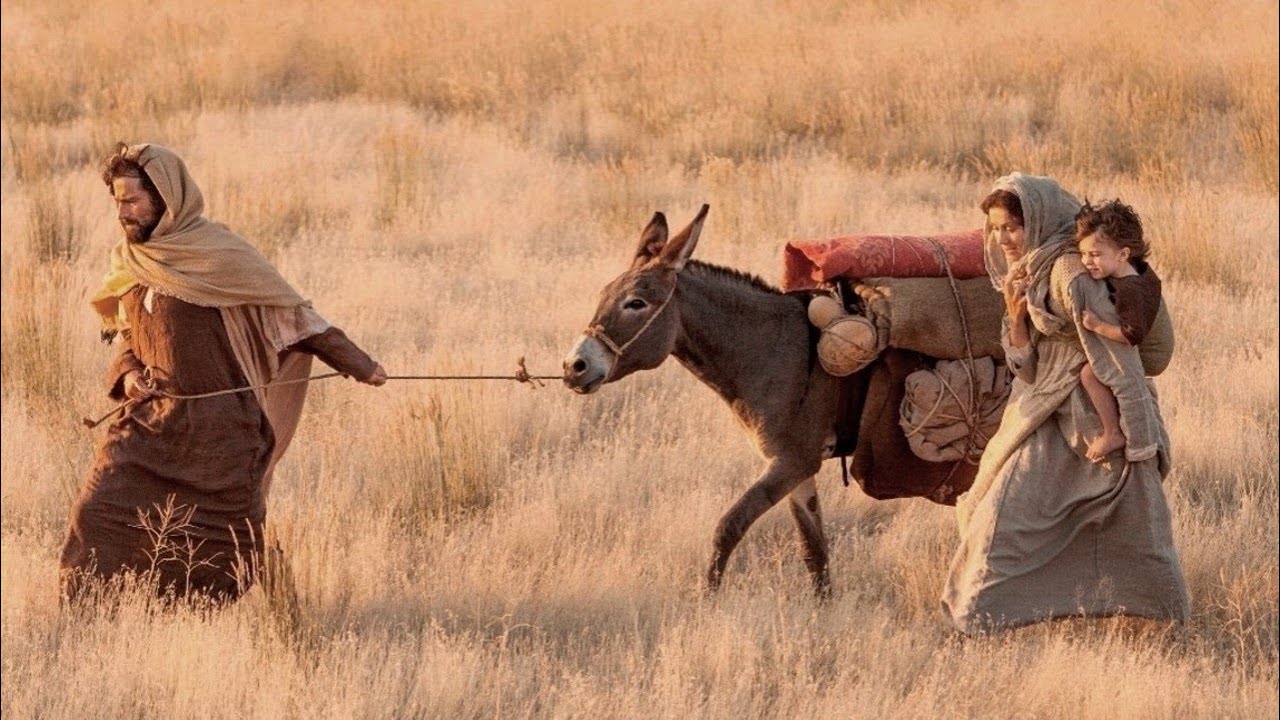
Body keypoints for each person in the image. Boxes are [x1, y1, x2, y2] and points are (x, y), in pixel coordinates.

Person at [60, 142, 388, 603]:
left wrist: (361, 365)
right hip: (148, 425)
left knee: (217, 541)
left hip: (223, 430)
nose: (123, 212)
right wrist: (130, 378)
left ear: (166, 199)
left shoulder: (222, 258)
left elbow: (297, 320)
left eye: (132, 200)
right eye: (117, 202)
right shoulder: (132, 264)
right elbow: (130, 340)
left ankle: (202, 617)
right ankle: (92, 615)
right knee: (99, 512)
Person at [940, 172, 1189, 635]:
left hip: (1094, 414)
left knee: (1132, 525)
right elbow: (1027, 365)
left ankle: (1166, 624)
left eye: (1011, 226)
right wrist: (1016, 317)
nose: (1003, 238)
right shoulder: (1027, 273)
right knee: (995, 516)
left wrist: (1138, 435)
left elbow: (1117, 359)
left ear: (1035, 221)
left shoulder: (1070, 274)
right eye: (995, 229)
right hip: (1039, 408)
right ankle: (978, 622)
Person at [1074, 199, 1165, 461]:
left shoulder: (1129, 289)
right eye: (1083, 254)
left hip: (1137, 348)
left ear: (1123, 254)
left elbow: (1131, 335)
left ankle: (1113, 432)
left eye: (1095, 255)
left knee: (1089, 375)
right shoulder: (1130, 270)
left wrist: (1097, 325)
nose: (1087, 262)